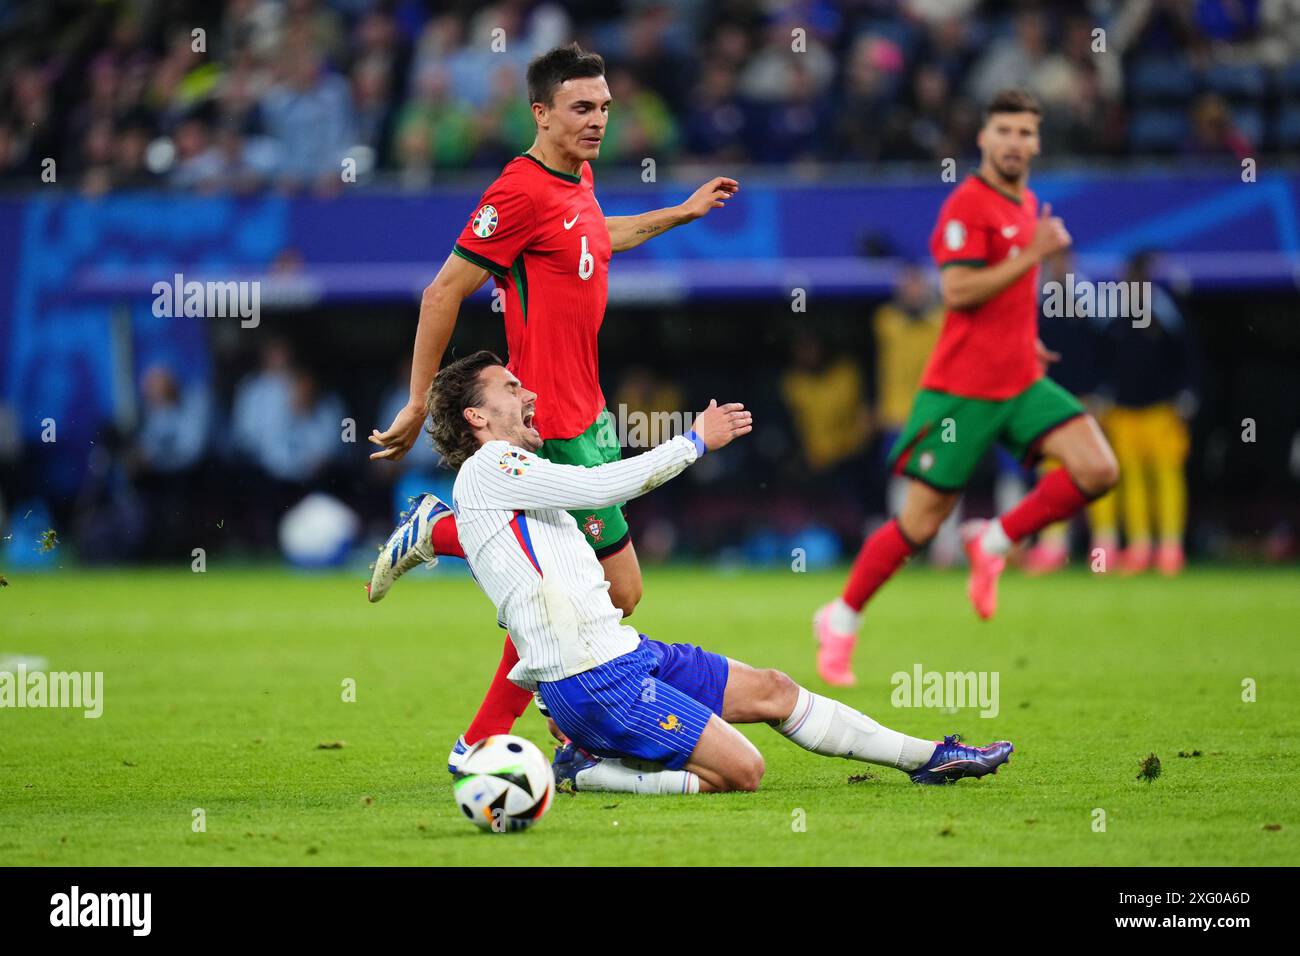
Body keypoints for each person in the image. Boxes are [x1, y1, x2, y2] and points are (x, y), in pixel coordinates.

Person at [365, 44, 739, 771]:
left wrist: (683, 213)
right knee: (614, 592)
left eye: (603, 107)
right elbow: (442, 291)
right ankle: (515, 735)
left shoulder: (579, 180)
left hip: (590, 415)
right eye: (581, 108)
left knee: (582, 595)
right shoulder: (519, 192)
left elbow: (597, 238)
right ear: (541, 113)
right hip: (549, 426)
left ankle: (445, 543)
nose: (598, 120)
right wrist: (419, 399)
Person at [432, 350, 1014, 792]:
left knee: (775, 689)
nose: (528, 390)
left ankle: (930, 758)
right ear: (476, 414)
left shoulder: (512, 481)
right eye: (512, 387)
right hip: (592, 678)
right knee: (743, 772)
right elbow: (599, 485)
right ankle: (585, 771)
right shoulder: (490, 467)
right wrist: (693, 442)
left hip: (623, 653)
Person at [813, 89, 1120, 687]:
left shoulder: (1029, 203)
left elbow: (1008, 293)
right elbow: (956, 292)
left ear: (1037, 142)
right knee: (920, 527)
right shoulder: (967, 206)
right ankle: (841, 618)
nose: (1014, 142)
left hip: (1021, 381)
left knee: (1099, 468)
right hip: (961, 391)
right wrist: (1034, 252)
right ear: (983, 138)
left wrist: (1024, 339)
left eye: (1026, 132)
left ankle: (997, 538)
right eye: (1003, 130)